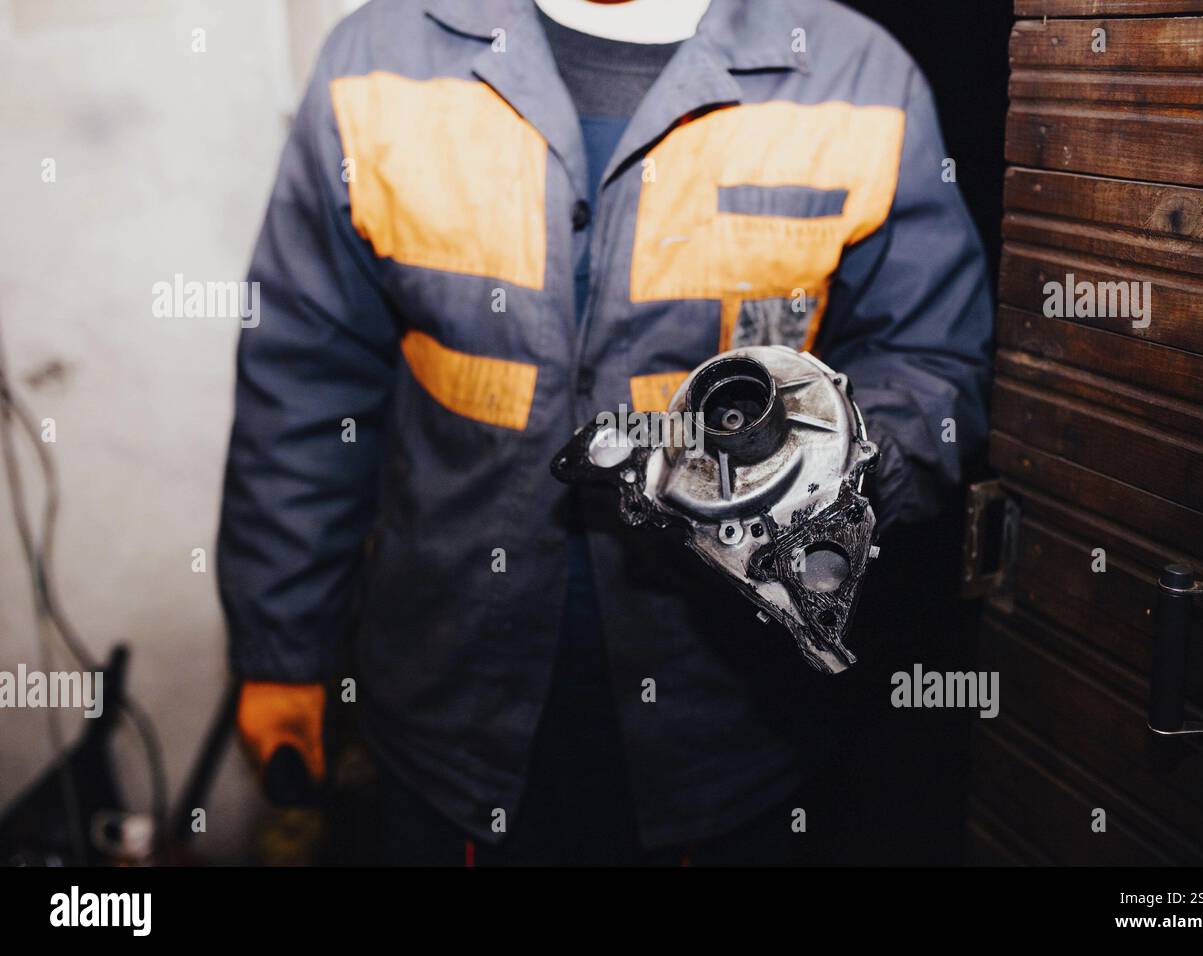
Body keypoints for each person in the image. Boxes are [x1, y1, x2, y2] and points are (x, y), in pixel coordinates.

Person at [218, 0, 992, 865]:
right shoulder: (376, 60)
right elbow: (305, 383)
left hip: (731, 726)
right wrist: (283, 650)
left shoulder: (858, 77)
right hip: (448, 715)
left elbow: (932, 365)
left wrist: (827, 474)